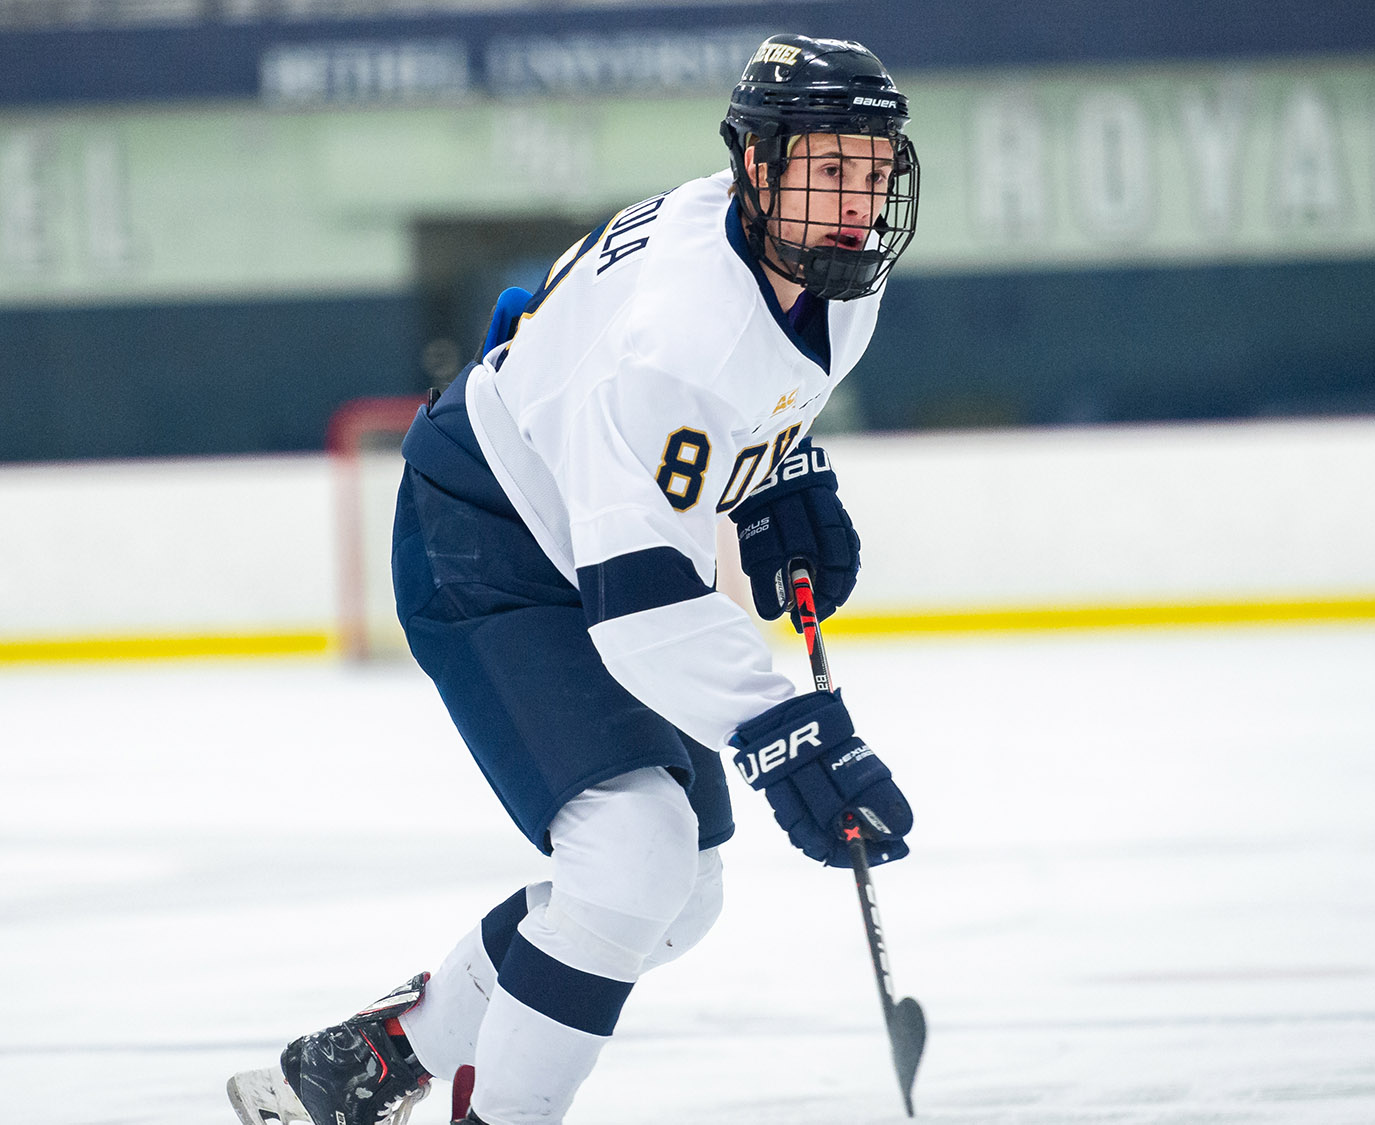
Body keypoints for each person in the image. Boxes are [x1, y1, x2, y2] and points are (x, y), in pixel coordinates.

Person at [229, 33, 920, 1125]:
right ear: (756, 166)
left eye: (873, 169)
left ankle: (369, 1061)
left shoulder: (830, 279)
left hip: (583, 519)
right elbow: (640, 603)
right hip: (488, 538)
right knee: (632, 858)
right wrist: (782, 725)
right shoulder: (677, 330)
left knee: (678, 897)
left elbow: (579, 347)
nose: (855, 199)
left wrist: (772, 478)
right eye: (829, 167)